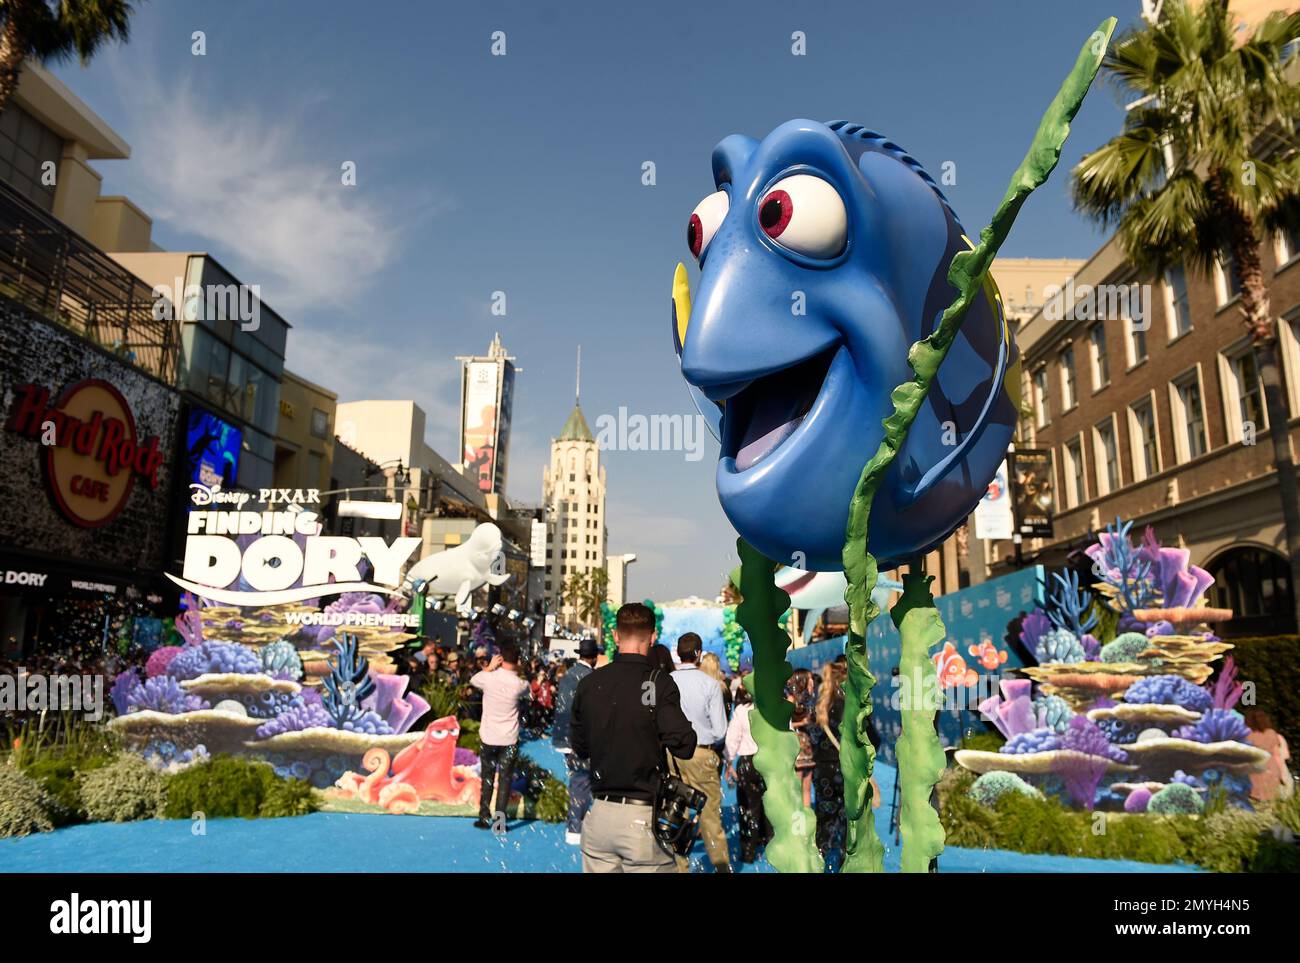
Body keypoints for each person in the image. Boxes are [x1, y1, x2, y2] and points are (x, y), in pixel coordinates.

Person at [571, 603, 696, 873]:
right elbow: (685, 745)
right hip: (642, 817)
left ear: (616, 636)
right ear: (653, 637)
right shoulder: (657, 682)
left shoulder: (589, 684)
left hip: (599, 816)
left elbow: (580, 748)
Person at [669, 632, 731, 872]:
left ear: (678, 653)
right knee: (709, 816)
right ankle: (721, 866)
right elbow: (720, 730)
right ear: (698, 654)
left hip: (673, 753)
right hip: (702, 752)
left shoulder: (668, 680)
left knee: (677, 811)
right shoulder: (710, 685)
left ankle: (679, 866)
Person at [468, 644, 530, 831]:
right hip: (509, 739)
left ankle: (484, 817)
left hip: (489, 737)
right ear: (518, 661)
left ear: (501, 658)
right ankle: (500, 823)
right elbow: (528, 694)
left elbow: (473, 680)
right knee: (505, 780)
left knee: (487, 776)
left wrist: (490, 667)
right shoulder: (520, 685)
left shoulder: (488, 678)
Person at [552, 637, 599, 845]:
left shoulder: (568, 675)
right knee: (582, 780)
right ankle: (575, 827)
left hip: (563, 736)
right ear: (595, 657)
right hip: (579, 737)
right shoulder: (591, 678)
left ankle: (575, 821)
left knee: (577, 779)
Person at [725, 683, 770, 864]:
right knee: (770, 803)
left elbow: (732, 738)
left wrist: (729, 762)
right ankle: (770, 842)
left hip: (748, 763)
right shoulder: (772, 710)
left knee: (748, 806)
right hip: (769, 759)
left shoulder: (741, 711)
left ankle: (748, 851)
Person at [1245, 709, 1293, 802]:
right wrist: (1282, 773)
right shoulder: (1271, 734)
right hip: (1270, 767)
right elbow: (1277, 755)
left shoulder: (1247, 735)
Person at [788, 668, 816, 808]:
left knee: (807, 786)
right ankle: (796, 818)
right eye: (809, 678)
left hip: (808, 745)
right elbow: (784, 722)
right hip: (796, 744)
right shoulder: (791, 699)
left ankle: (807, 818)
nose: (812, 681)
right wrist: (803, 723)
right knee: (797, 785)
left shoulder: (810, 700)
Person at [699, 651, 733, 721]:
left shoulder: (696, 684)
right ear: (717, 666)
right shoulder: (722, 687)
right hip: (718, 726)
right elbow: (726, 712)